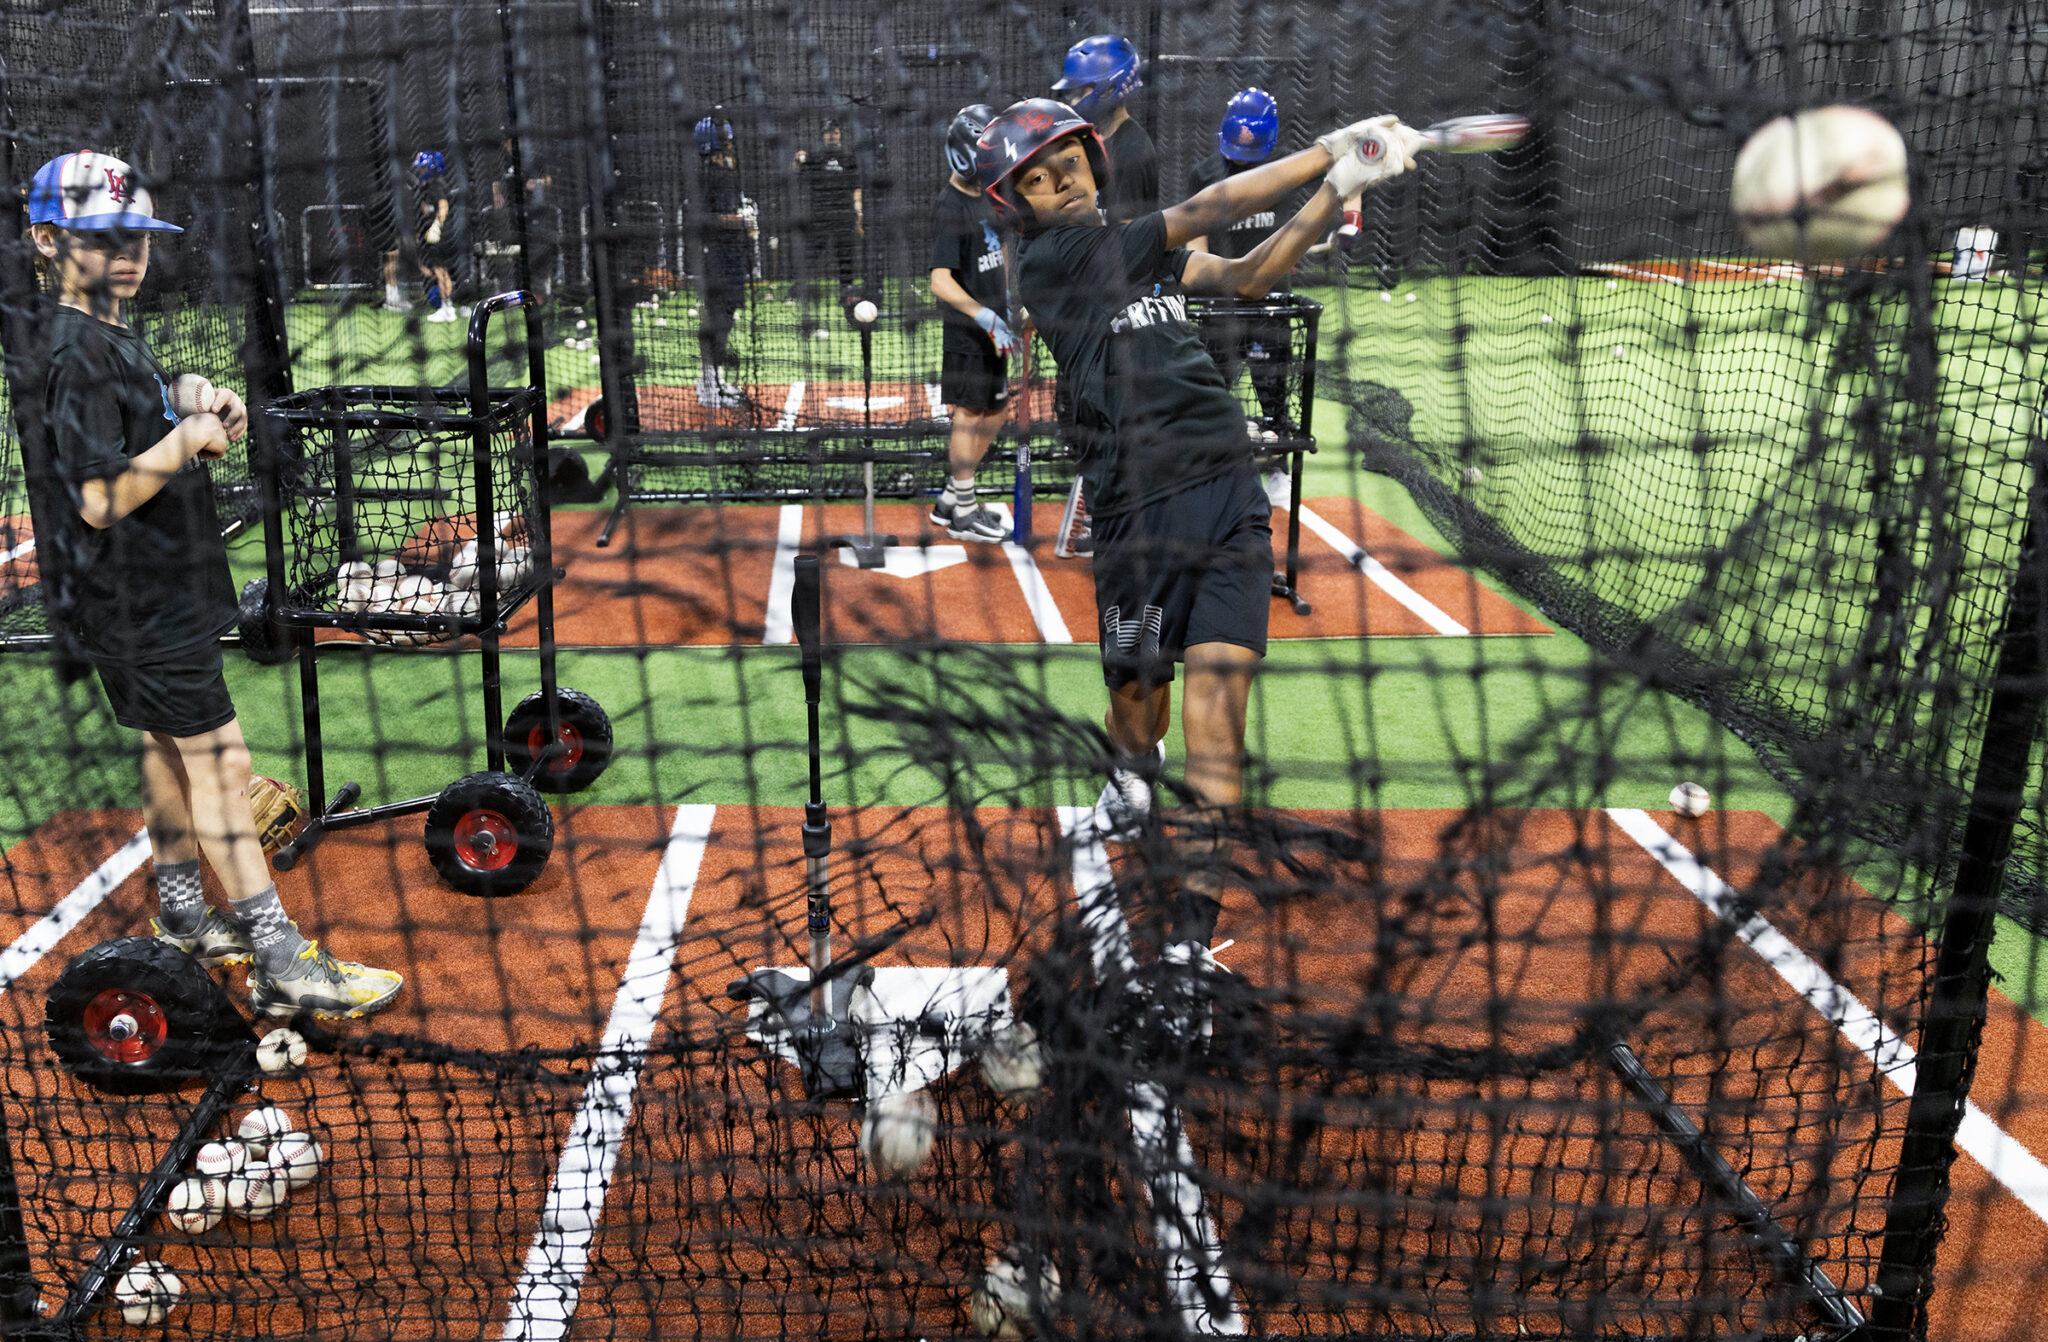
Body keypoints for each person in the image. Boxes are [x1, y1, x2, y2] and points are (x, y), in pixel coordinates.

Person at [977, 101, 1417, 964]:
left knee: (1221, 716)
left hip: (1226, 492)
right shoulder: (1057, 259)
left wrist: (1339, 188)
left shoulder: (1140, 250)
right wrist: (1323, 149)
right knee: (1140, 707)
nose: (1062, 181)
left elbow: (1250, 274)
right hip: (1136, 516)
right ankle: (1130, 768)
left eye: (1070, 162)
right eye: (1039, 175)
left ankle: (1186, 943)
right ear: (1019, 201)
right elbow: (1210, 207)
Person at [24, 151, 404, 1020]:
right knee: (222, 762)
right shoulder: (75, 347)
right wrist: (187, 436)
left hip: (142, 594)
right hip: (136, 596)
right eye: (101, 237)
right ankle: (281, 961)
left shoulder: (102, 330)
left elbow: (137, 408)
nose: (128, 253)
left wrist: (189, 395)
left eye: (137, 237)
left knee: (168, 750)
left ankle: (187, 915)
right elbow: (95, 498)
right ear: (48, 239)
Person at [1049, 33, 1157, 558]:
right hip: (1084, 306)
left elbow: (1133, 240)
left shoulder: (1132, 151)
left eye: (1083, 88)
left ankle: (1121, 519)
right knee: (1076, 416)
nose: (1074, 99)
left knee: (1109, 418)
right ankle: (1109, 509)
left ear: (1114, 86)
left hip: (1113, 310)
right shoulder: (1090, 140)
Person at [925, 104, 1014, 544]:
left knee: (996, 414)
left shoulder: (988, 195)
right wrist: (982, 314)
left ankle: (950, 498)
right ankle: (963, 511)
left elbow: (1001, 251)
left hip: (997, 328)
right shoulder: (950, 205)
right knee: (970, 415)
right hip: (968, 333)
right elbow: (939, 280)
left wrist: (1010, 304)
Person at [1186, 89, 1298, 439]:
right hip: (1221, 302)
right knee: (1212, 387)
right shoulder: (1205, 174)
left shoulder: (1286, 170)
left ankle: (1279, 467)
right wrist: (1200, 281)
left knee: (1273, 389)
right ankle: (1213, 461)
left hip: (1271, 299)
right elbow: (1194, 237)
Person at [691, 113, 752, 410]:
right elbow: (702, 219)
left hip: (728, 255)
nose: (731, 145)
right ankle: (708, 386)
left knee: (724, 318)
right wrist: (738, 220)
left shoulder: (724, 173)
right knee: (716, 319)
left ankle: (712, 380)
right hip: (715, 257)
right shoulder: (709, 175)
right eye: (726, 140)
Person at [790, 118, 861, 302]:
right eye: (829, 132)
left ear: (840, 134)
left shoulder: (848, 157)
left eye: (835, 132)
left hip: (844, 215)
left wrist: (858, 211)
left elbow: (856, 187)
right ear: (823, 135)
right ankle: (797, 291)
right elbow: (796, 172)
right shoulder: (815, 157)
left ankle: (846, 294)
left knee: (846, 256)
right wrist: (797, 160)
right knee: (809, 255)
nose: (832, 135)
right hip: (820, 215)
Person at [413, 150, 461, 323]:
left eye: (424, 167)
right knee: (440, 270)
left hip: (443, 235)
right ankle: (447, 308)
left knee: (441, 271)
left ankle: (447, 309)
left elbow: (443, 206)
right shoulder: (430, 185)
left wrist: (436, 227)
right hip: (442, 235)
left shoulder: (436, 183)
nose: (421, 171)